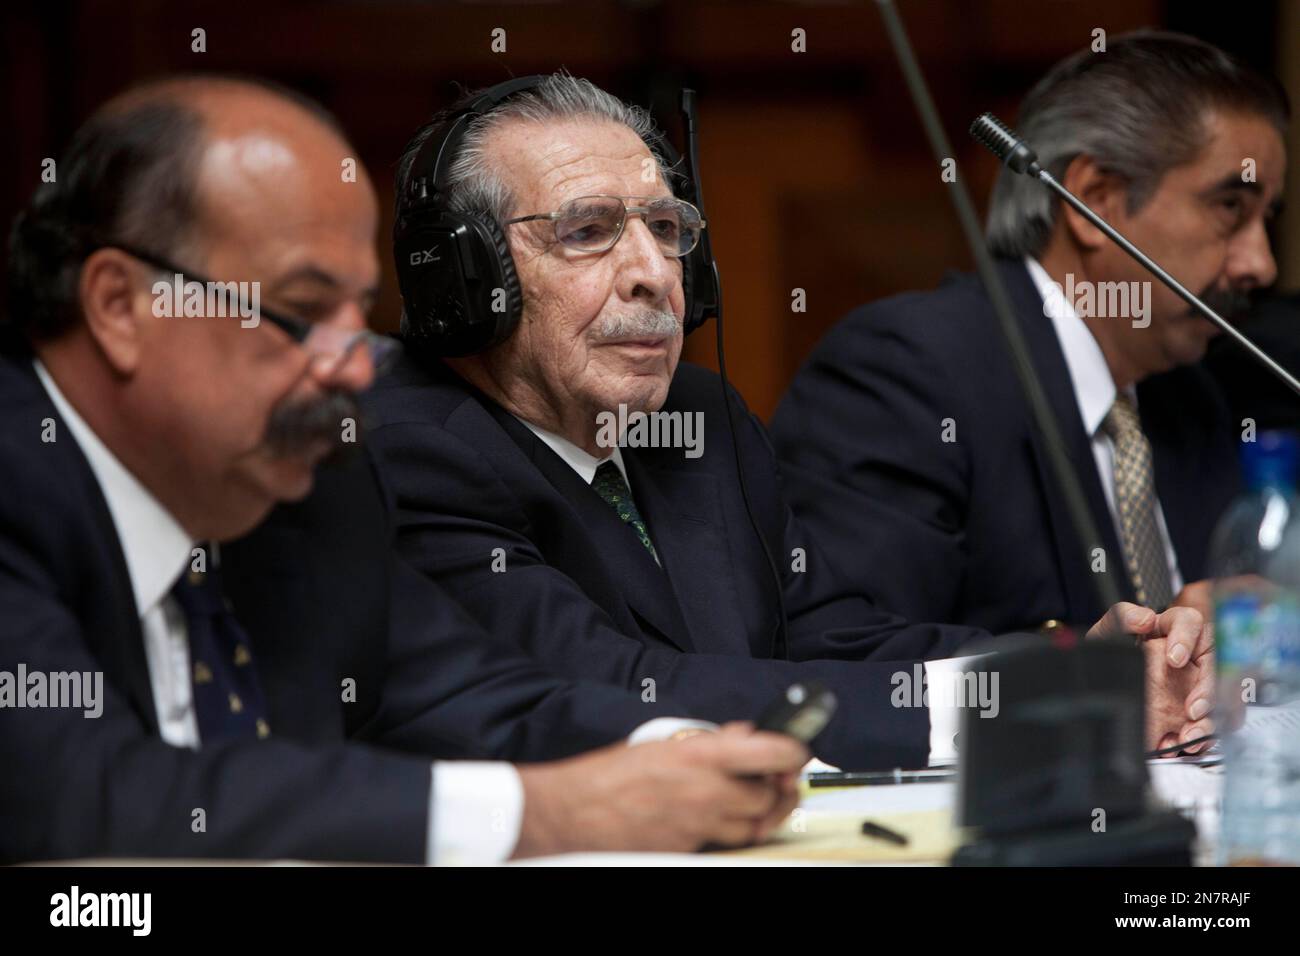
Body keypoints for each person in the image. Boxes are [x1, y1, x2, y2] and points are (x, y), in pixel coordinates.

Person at [0, 75, 809, 866]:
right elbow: (78, 800)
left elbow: (476, 694)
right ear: (119, 305)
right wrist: (545, 812)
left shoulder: (313, 485)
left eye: (359, 310)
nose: (354, 366)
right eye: (304, 309)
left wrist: (679, 754)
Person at [362, 72, 1213, 770]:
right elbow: (613, 684)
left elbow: (827, 637)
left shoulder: (699, 420)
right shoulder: (411, 449)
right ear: (464, 278)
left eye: (667, 229)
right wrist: (1031, 712)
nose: (656, 274)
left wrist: (1067, 667)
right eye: (588, 231)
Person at [773, 31, 1285, 647]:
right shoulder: (906, 370)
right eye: (1231, 206)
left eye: (1267, 220)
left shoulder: (1193, 394)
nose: (1262, 264)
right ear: (1094, 200)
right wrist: (1095, 672)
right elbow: (850, 651)